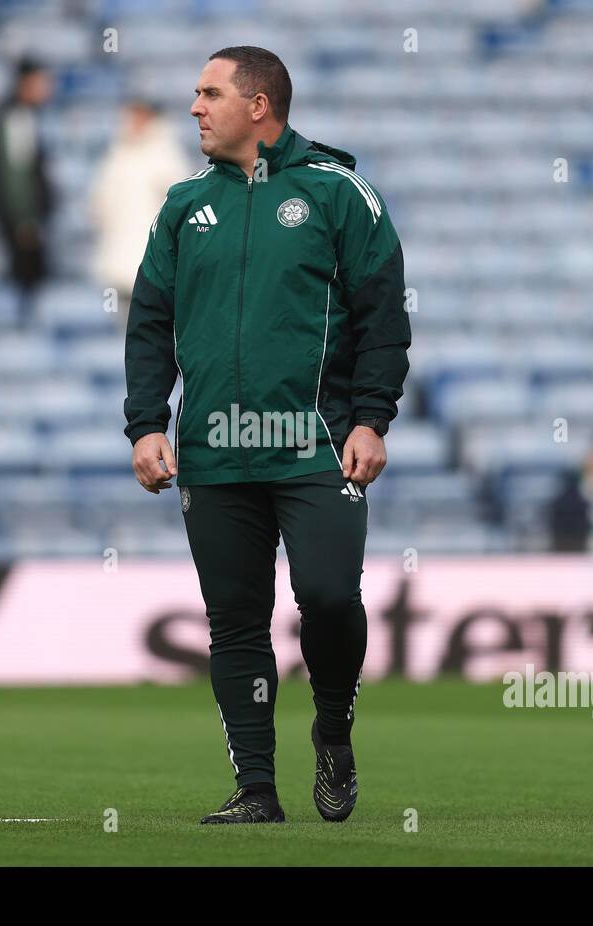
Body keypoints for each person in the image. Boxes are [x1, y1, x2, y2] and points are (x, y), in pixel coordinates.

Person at [123, 47, 410, 824]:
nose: (195, 107)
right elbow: (150, 321)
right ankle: (256, 788)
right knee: (236, 620)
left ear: (259, 105)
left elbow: (385, 321)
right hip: (214, 451)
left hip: (315, 443)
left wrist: (371, 418)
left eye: (209, 92)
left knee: (326, 594)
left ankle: (334, 730)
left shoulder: (339, 194)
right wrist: (147, 423)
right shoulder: (183, 205)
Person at [89, 100, 192, 332]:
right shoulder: (117, 154)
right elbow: (98, 204)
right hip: (117, 262)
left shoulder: (166, 154)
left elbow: (179, 206)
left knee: (153, 330)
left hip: (152, 263)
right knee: (121, 327)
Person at [0, 56, 58, 328]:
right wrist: (26, 221)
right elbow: (15, 175)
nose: (47, 89)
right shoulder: (16, 117)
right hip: (23, 225)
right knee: (27, 283)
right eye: (41, 83)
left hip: (25, 222)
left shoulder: (23, 116)